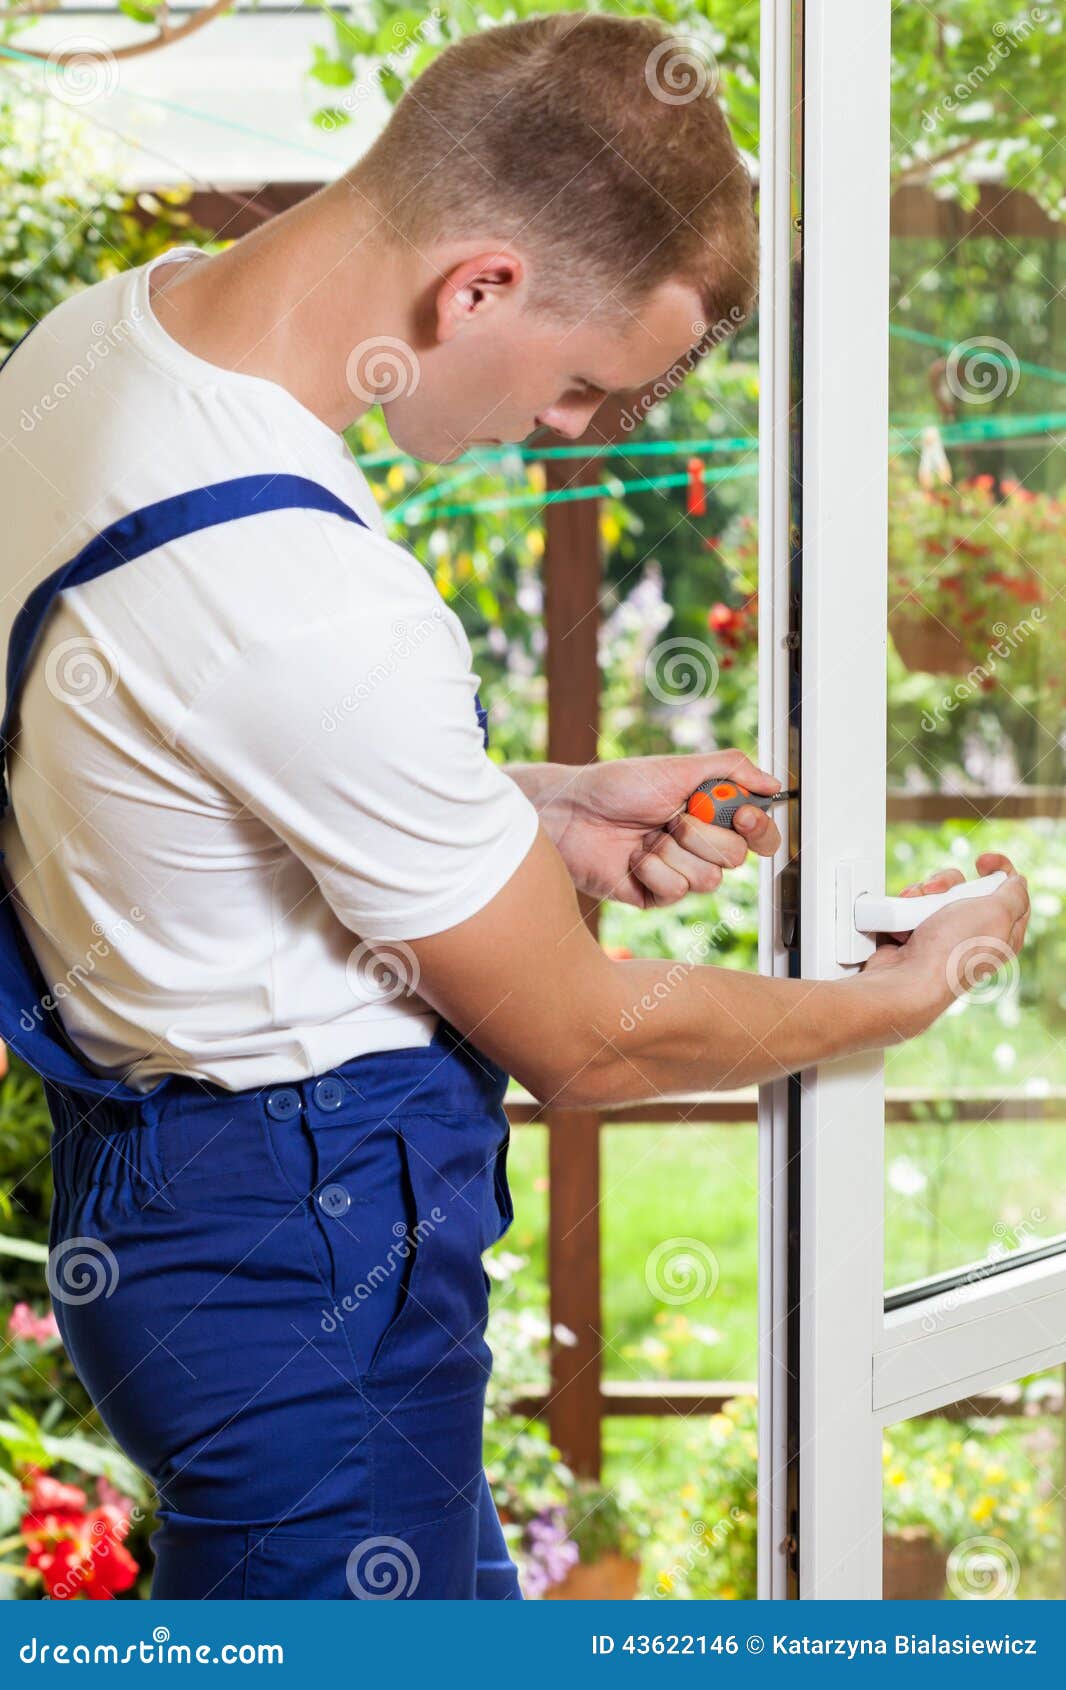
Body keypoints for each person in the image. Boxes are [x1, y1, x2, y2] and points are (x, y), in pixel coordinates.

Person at [0, 13, 1028, 1600]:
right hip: (303, 1268)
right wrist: (892, 993)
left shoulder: (89, 354)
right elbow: (588, 1032)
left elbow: (182, 747)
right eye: (577, 382)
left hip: (200, 1224)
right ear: (477, 283)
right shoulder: (306, 598)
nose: (565, 431)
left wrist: (542, 809)